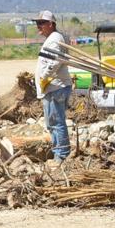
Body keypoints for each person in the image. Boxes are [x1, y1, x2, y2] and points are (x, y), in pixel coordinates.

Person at [33, 10, 71, 163]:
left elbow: (55, 61)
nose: (38, 27)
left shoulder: (55, 39)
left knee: (56, 122)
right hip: (54, 86)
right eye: (37, 24)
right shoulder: (53, 38)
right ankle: (59, 152)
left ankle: (61, 155)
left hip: (55, 86)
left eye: (41, 23)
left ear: (50, 24)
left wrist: (44, 77)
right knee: (53, 122)